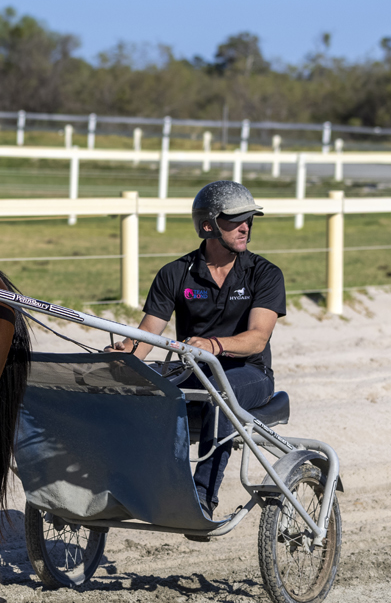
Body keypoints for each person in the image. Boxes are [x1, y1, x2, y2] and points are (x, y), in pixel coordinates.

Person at [105, 180, 287, 516]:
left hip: (250, 375)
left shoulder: (265, 274)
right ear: (208, 225)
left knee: (219, 391)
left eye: (249, 218)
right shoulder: (175, 274)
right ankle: (127, 488)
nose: (245, 226)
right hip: (194, 374)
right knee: (140, 390)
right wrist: (123, 357)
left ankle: (202, 498)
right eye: (236, 219)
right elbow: (147, 334)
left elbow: (257, 337)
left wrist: (212, 346)